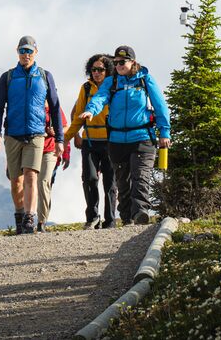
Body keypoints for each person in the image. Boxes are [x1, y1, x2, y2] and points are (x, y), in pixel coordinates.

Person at [78, 46, 171, 225]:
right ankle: (128, 217)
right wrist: (90, 110)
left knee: (140, 177)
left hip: (142, 137)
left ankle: (141, 213)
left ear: (133, 62)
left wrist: (164, 132)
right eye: (116, 62)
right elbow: (100, 98)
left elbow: (161, 106)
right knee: (123, 182)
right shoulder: (111, 82)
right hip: (117, 140)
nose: (119, 65)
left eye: (122, 62)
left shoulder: (145, 80)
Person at [0, 35, 64, 234]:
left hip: (36, 135)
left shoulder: (44, 76)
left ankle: (29, 219)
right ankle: (19, 215)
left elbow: (56, 108)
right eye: (22, 51)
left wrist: (59, 138)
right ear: (17, 52)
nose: (26, 54)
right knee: (16, 180)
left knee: (31, 175)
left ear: (36, 52)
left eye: (29, 51)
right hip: (12, 135)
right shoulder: (7, 77)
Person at [64, 54, 118, 230]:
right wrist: (65, 139)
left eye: (100, 69)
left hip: (110, 141)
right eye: (94, 69)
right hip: (90, 141)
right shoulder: (86, 88)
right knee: (89, 179)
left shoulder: (115, 88)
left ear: (108, 70)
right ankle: (92, 217)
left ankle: (110, 220)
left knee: (110, 182)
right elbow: (78, 116)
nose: (96, 73)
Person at [36, 105, 72, 232]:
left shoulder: (53, 105)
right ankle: (29, 220)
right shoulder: (28, 101)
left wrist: (66, 151)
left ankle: (41, 221)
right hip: (32, 148)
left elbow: (66, 128)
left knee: (44, 182)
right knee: (34, 184)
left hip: (51, 150)